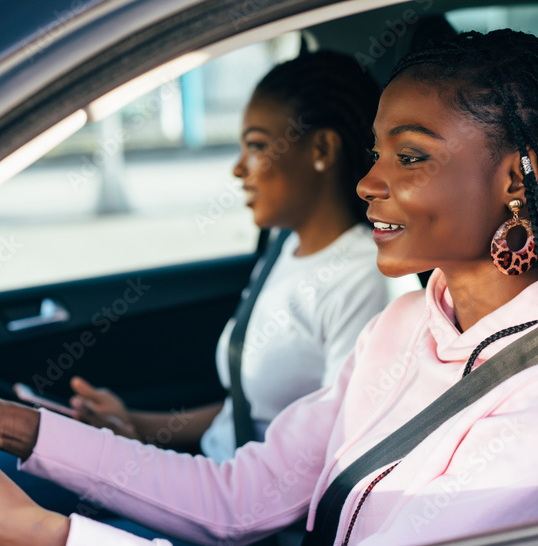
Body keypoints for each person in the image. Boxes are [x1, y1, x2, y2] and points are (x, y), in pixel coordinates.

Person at [0, 30, 538, 546]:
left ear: (519, 178)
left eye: (410, 157)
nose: (368, 183)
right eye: (375, 153)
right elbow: (240, 498)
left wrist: (40, 542)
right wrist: (24, 429)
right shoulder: (407, 325)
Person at [56, 51, 391, 462]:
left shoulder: (363, 278)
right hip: (217, 475)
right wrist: (134, 426)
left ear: (322, 148)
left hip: (246, 498)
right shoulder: (284, 247)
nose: (238, 169)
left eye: (256, 146)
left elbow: (332, 457)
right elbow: (245, 413)